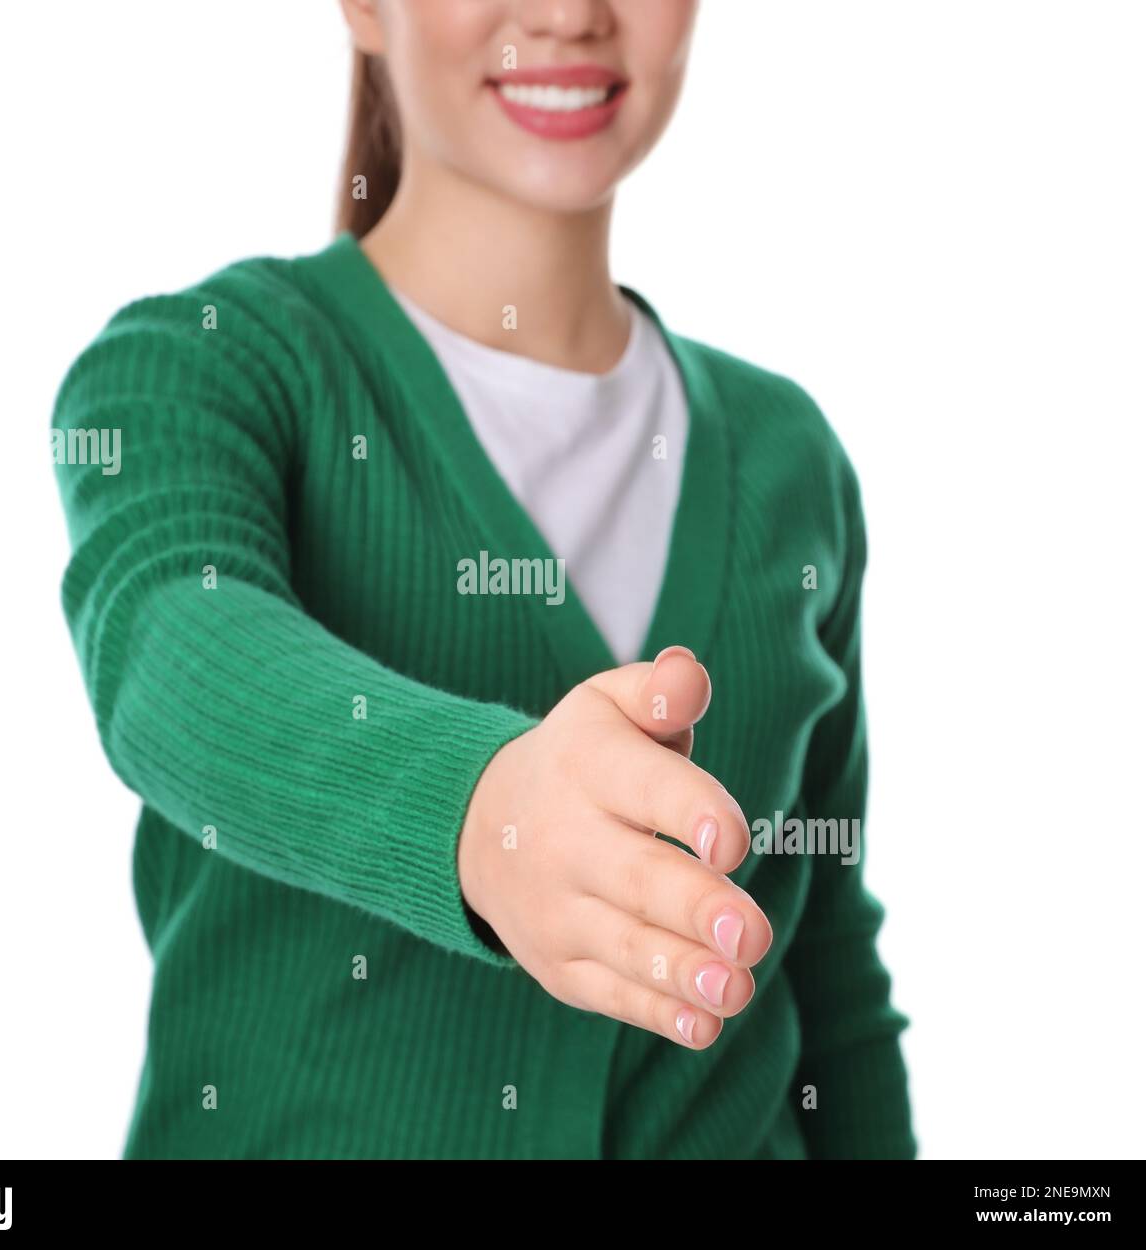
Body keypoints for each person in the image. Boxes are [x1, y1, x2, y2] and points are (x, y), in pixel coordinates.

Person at [51, 0, 915, 1159]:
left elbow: (829, 976)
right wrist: (482, 813)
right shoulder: (204, 364)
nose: (570, 14)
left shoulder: (787, 453)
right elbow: (171, 645)